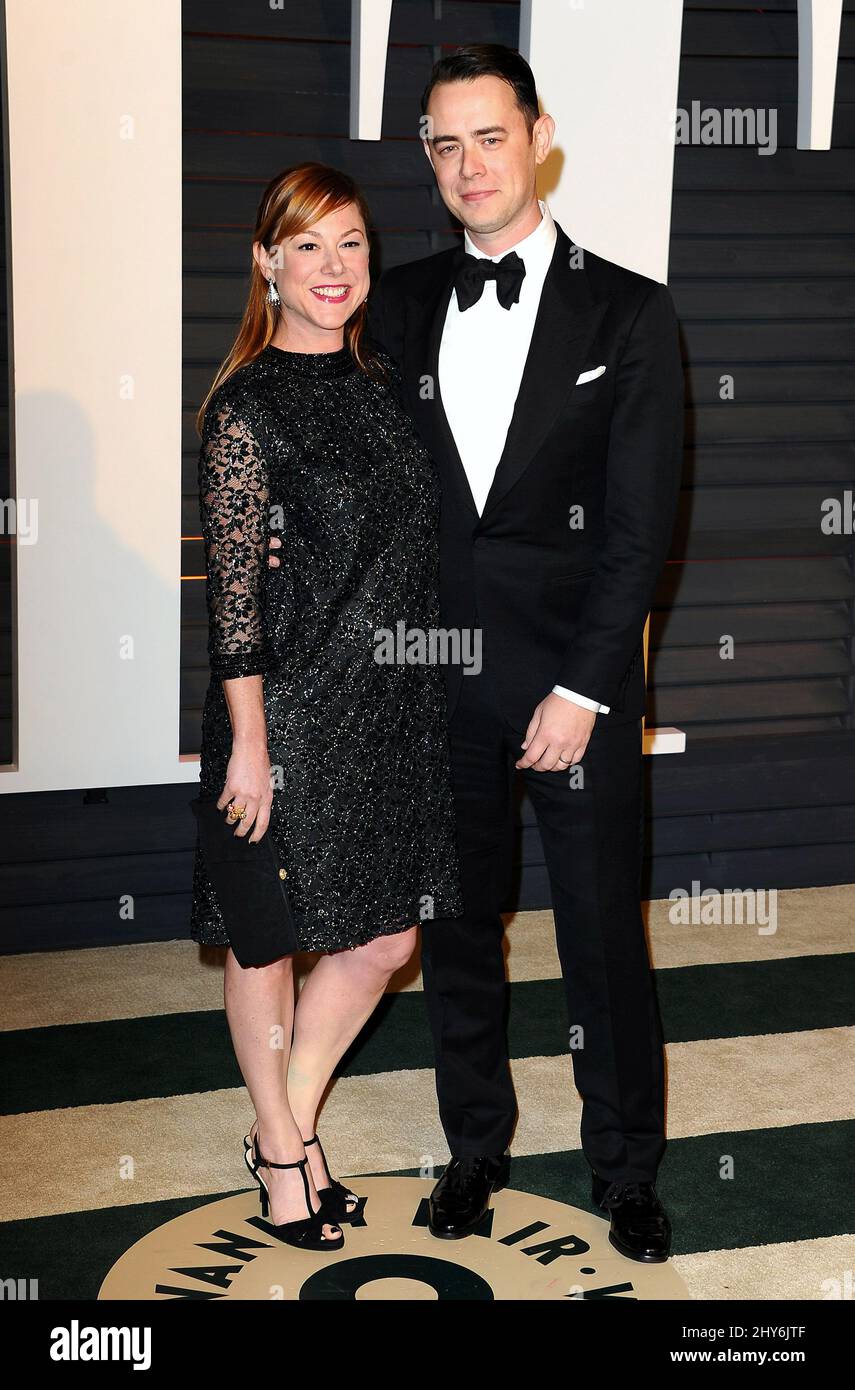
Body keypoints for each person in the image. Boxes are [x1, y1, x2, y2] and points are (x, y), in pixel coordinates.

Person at [357, 44, 683, 1261]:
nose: (466, 165)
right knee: (458, 933)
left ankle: (628, 1169)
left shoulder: (630, 310)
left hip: (577, 688)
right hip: (439, 685)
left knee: (603, 934)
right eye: (443, 144)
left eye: (487, 136)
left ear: (538, 137)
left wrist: (586, 685)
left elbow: (643, 525)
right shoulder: (396, 307)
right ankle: (475, 1148)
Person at [189, 161, 463, 1252]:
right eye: (306, 246)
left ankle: (285, 1124)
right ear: (267, 262)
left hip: (389, 710)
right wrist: (250, 746)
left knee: (387, 937)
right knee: (268, 944)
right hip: (288, 714)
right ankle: (283, 1157)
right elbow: (236, 604)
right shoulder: (245, 411)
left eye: (349, 243)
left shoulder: (386, 383)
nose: (332, 267)